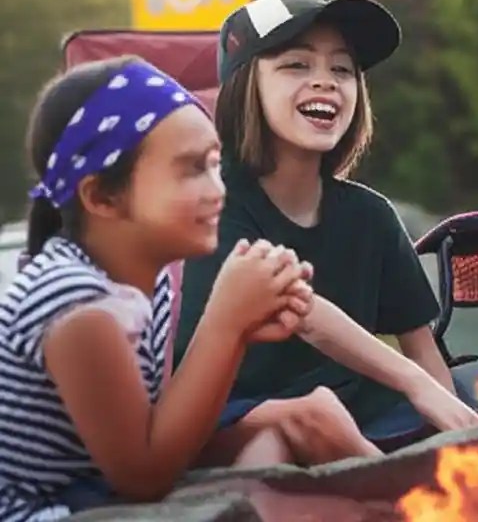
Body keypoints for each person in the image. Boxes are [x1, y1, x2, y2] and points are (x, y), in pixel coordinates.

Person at [174, 0, 478, 466]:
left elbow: (423, 353)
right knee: (291, 431)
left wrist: (460, 440)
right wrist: (414, 383)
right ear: (243, 87)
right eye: (297, 65)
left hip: (356, 408)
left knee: (470, 404)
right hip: (226, 410)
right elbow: (300, 308)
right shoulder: (216, 204)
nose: (326, 82)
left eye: (342, 69)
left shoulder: (371, 215)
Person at [0, 57, 314, 520]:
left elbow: (162, 432)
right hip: (42, 511)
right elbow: (143, 477)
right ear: (101, 196)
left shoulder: (150, 285)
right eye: (191, 169)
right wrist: (225, 325)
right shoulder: (77, 305)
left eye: (214, 164)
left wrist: (240, 332)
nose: (218, 189)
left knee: (283, 432)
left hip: (94, 493)